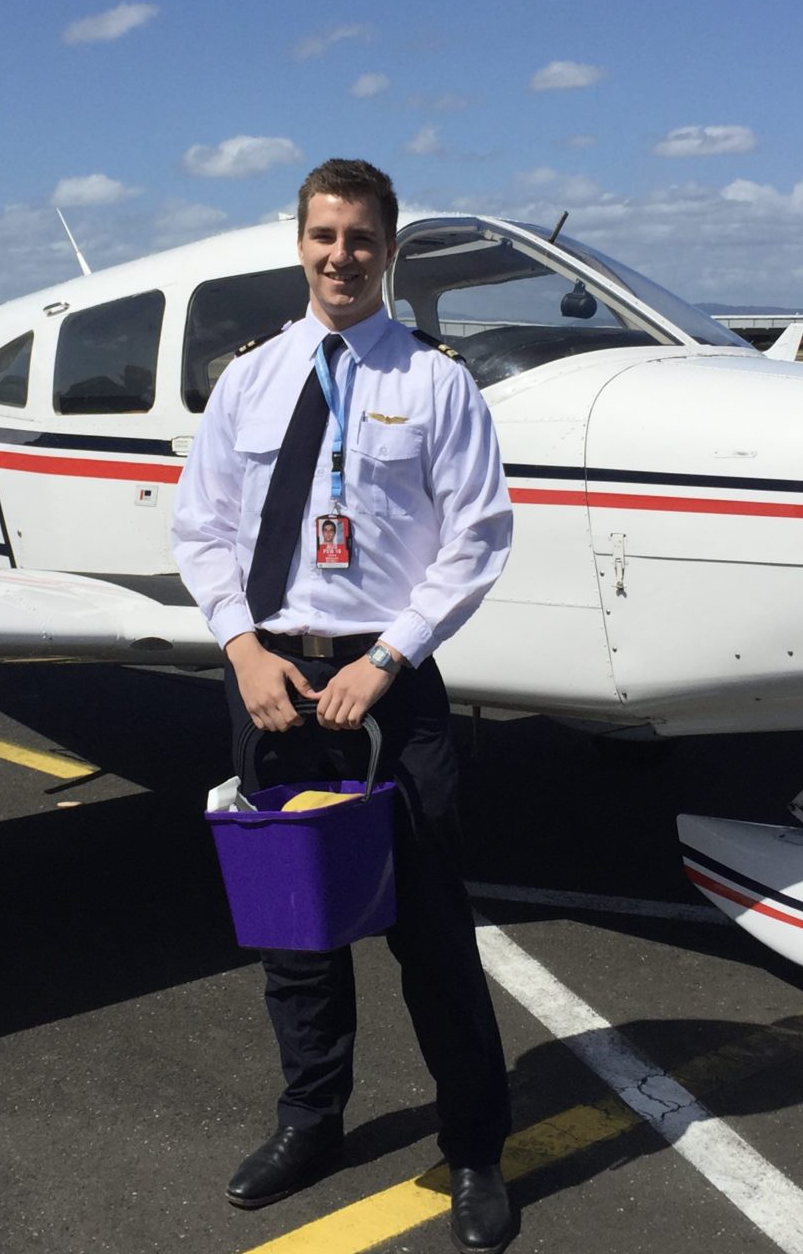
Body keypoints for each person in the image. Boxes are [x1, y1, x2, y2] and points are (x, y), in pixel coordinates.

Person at [172, 159, 517, 1253]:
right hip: (271, 680)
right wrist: (242, 649)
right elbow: (201, 530)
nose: (340, 257)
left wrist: (389, 656)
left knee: (433, 934)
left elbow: (477, 536)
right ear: (299, 244)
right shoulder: (250, 379)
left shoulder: (436, 383)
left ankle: (476, 1148)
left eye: (360, 239)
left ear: (388, 250)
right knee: (295, 932)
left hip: (388, 689)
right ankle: (310, 1120)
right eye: (323, 237)